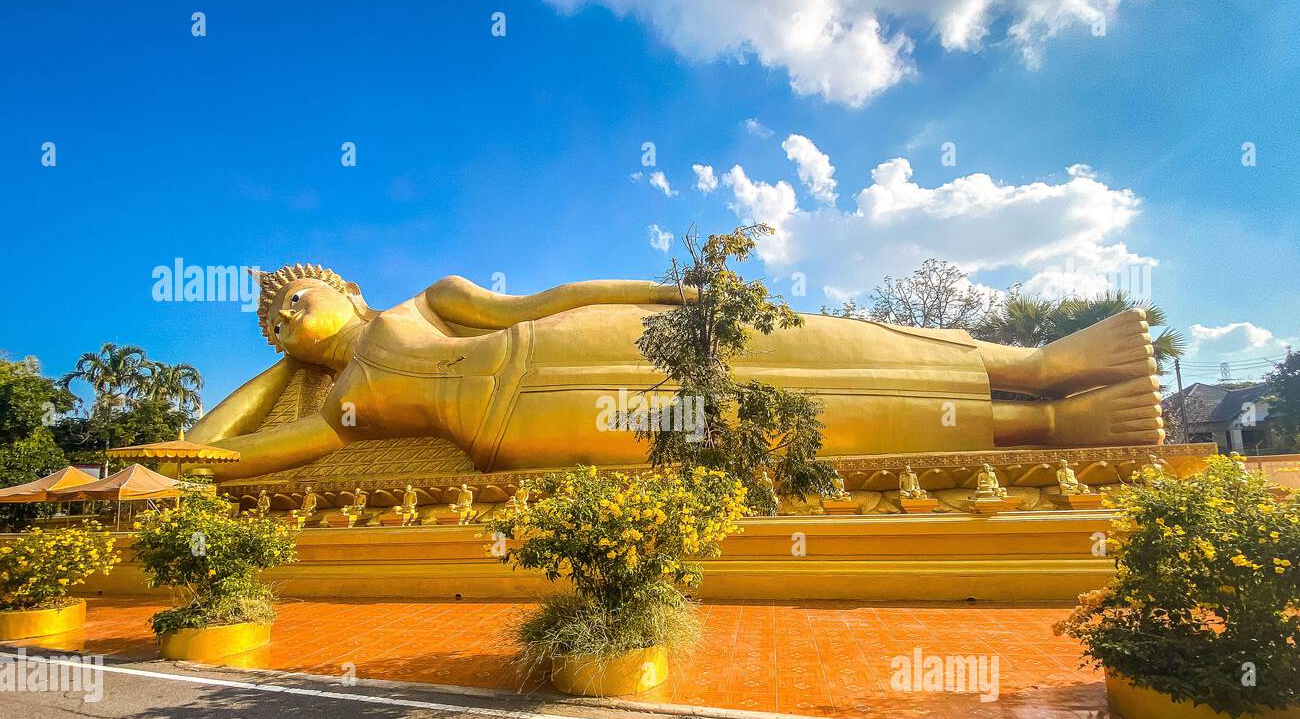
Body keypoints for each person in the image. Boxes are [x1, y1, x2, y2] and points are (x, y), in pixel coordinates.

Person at [192, 263, 1164, 479]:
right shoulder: (346, 403)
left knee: (787, 348)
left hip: (560, 346)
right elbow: (238, 452)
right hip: (533, 430)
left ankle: (1042, 361)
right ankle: (1050, 426)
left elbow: (544, 298)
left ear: (347, 288)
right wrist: (171, 455)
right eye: (271, 325)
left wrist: (663, 291)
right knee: (763, 419)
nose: (283, 321)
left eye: (294, 299)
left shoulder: (423, 303)